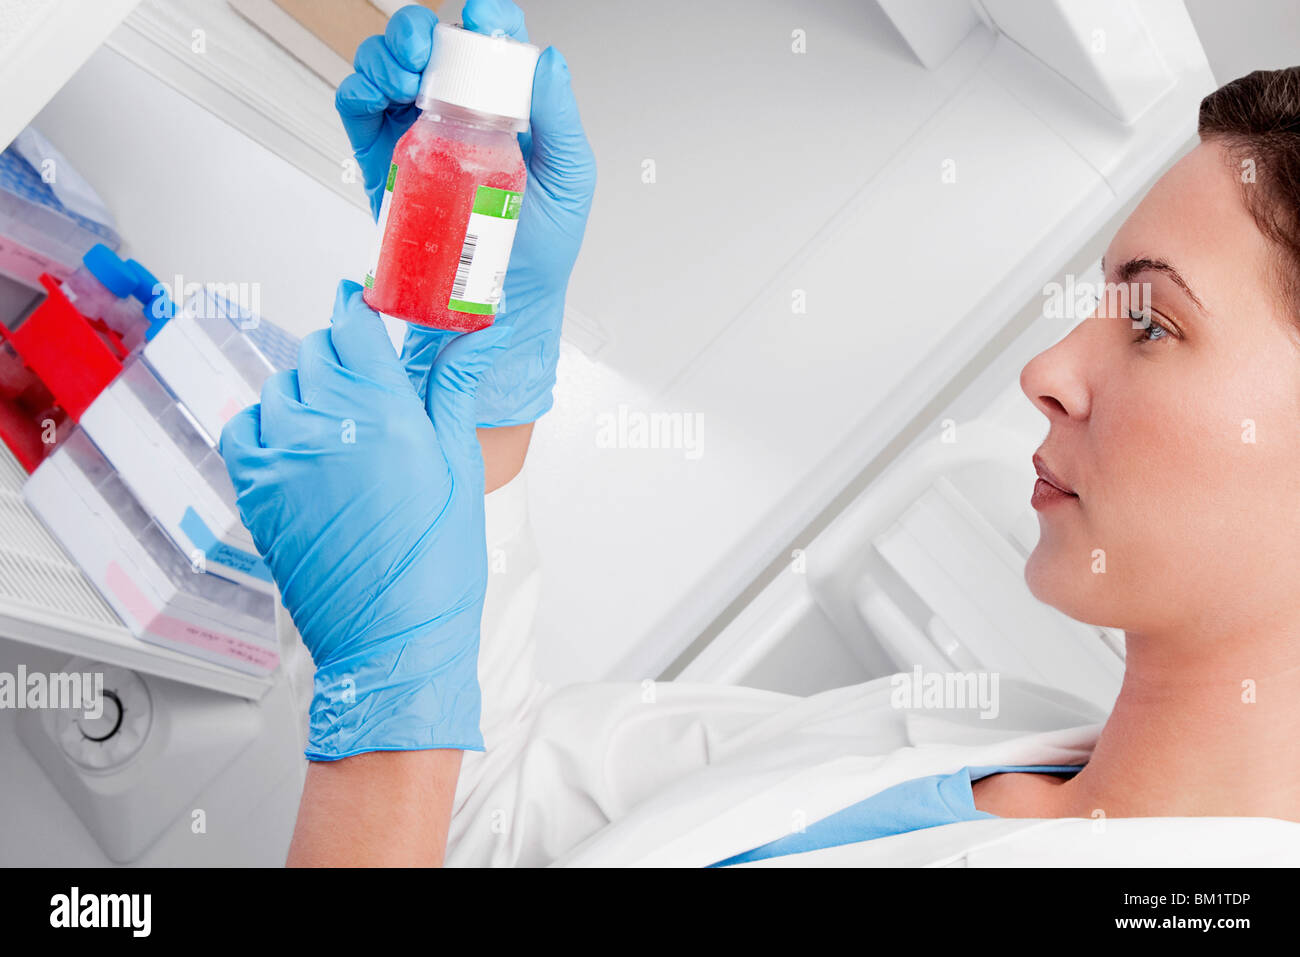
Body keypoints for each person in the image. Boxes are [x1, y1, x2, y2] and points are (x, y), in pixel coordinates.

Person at [220, 0, 1300, 866]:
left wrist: (385, 705)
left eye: (1151, 322)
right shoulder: (982, 738)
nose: (1046, 372)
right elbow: (487, 812)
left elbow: (406, 787)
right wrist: (484, 381)